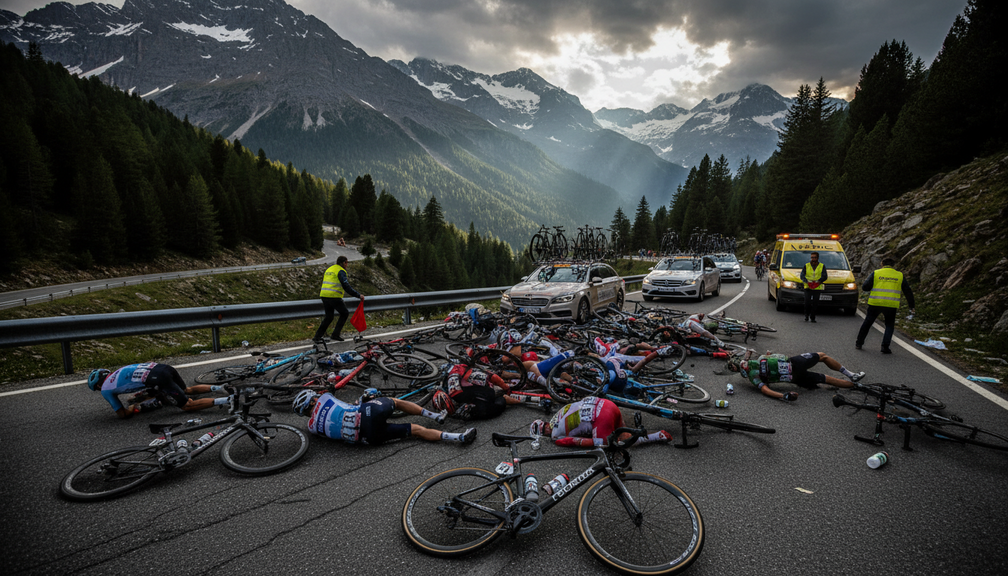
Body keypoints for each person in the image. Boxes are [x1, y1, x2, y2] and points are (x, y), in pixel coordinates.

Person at [293, 389, 476, 445]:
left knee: (415, 430)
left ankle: (458, 437)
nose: (317, 396)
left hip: (367, 438)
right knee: (395, 402)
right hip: (368, 413)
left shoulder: (311, 428)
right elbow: (347, 405)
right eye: (314, 397)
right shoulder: (324, 397)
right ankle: (435, 416)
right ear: (313, 401)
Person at [87, 362, 229, 419]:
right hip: (162, 367)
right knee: (186, 389)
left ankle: (228, 399)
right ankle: (220, 388)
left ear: (98, 386)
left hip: (157, 378)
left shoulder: (105, 389)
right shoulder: (119, 371)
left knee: (187, 405)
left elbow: (123, 414)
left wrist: (133, 408)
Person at [529, 396, 671, 447]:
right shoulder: (559, 412)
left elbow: (577, 441)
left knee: (616, 443)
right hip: (607, 404)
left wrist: (599, 443)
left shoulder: (555, 436)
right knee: (621, 431)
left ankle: (656, 436)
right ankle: (636, 432)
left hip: (601, 419)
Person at [726, 350, 865, 402]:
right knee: (822, 356)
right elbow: (765, 390)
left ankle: (857, 385)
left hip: (794, 378)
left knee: (828, 379)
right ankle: (851, 376)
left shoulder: (753, 376)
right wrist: (783, 396)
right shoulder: (754, 373)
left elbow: (764, 389)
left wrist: (784, 396)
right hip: (794, 363)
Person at [856, 257, 916, 354]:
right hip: (891, 304)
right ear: (893, 265)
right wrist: (911, 306)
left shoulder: (876, 273)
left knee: (867, 323)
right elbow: (907, 291)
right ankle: (885, 346)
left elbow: (865, 287)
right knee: (889, 325)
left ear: (882, 264)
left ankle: (859, 343)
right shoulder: (899, 275)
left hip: (875, 303)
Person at [432, 363, 523, 420]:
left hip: (478, 392)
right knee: (492, 405)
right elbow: (493, 377)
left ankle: (506, 398)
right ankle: (506, 398)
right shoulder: (459, 369)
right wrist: (506, 388)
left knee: (491, 406)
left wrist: (506, 388)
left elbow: (493, 377)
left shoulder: (451, 389)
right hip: (478, 391)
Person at [313, 255, 364, 343]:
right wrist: (358, 295)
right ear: (343, 263)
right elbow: (346, 286)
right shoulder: (341, 271)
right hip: (334, 296)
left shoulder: (330, 269)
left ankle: (317, 337)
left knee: (329, 317)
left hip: (324, 295)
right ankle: (335, 334)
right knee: (344, 313)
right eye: (347, 263)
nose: (347, 265)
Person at [800, 251, 826, 322]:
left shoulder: (822, 266)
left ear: (817, 258)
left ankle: (813, 317)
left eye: (814, 257)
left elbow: (825, 276)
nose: (813, 259)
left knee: (815, 303)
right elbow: (802, 275)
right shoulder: (806, 265)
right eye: (812, 257)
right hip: (808, 287)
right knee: (807, 302)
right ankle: (806, 315)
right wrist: (806, 281)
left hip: (817, 287)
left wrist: (819, 281)